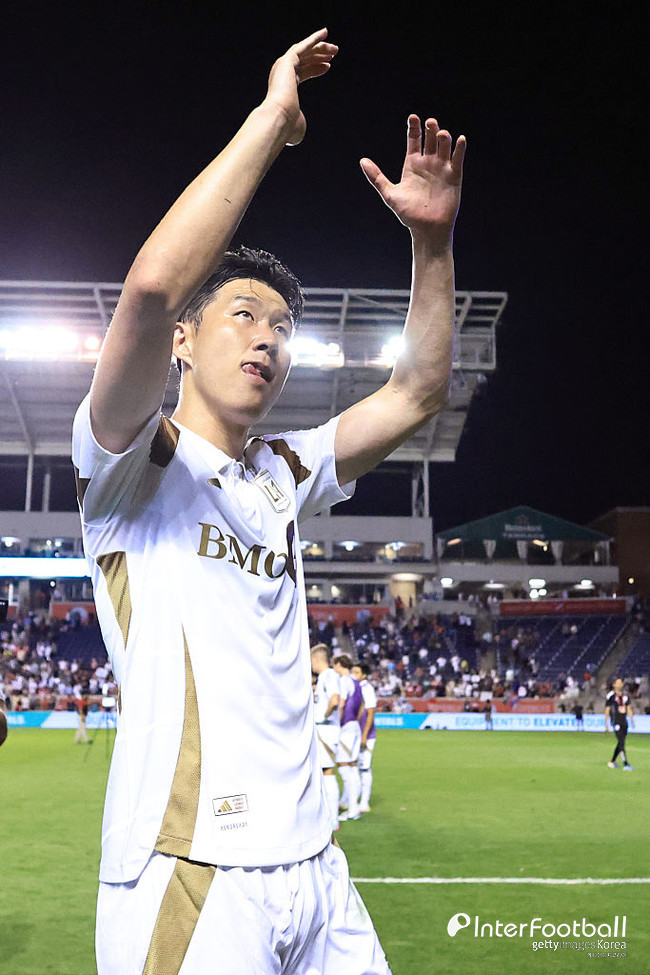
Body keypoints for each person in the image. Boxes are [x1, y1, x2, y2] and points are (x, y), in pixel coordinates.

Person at [72, 25, 465, 975]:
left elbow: (417, 393)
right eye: (243, 315)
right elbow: (156, 285)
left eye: (283, 326)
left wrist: (433, 243)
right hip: (191, 872)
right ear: (184, 342)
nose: (270, 338)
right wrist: (273, 118)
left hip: (318, 870)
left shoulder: (286, 470)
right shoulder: (126, 460)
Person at [311, 643, 341, 830]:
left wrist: (324, 716)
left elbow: (335, 700)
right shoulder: (324, 677)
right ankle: (328, 816)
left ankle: (333, 819)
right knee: (323, 772)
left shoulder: (329, 675)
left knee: (327, 771)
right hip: (324, 729)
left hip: (325, 729)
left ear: (316, 659)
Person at [333, 654, 364, 821]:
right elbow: (362, 706)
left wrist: (336, 724)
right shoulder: (356, 682)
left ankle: (352, 809)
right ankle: (353, 806)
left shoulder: (344, 681)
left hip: (346, 729)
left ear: (339, 664)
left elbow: (342, 703)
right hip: (354, 727)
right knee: (352, 767)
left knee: (345, 767)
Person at [352, 660, 377, 813]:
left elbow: (370, 713)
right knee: (352, 766)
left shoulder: (367, 689)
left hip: (366, 735)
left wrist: (364, 735)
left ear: (364, 675)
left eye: (356, 672)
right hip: (355, 733)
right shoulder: (356, 688)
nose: (353, 675)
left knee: (365, 767)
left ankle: (364, 802)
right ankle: (350, 799)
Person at [605, 678, 634, 770]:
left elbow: (628, 708)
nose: (621, 684)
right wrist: (607, 724)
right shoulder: (610, 696)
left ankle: (612, 761)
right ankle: (625, 763)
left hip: (624, 722)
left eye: (621, 683)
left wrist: (632, 719)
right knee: (621, 741)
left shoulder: (625, 696)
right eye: (618, 682)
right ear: (614, 684)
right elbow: (607, 709)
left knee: (621, 742)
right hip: (616, 721)